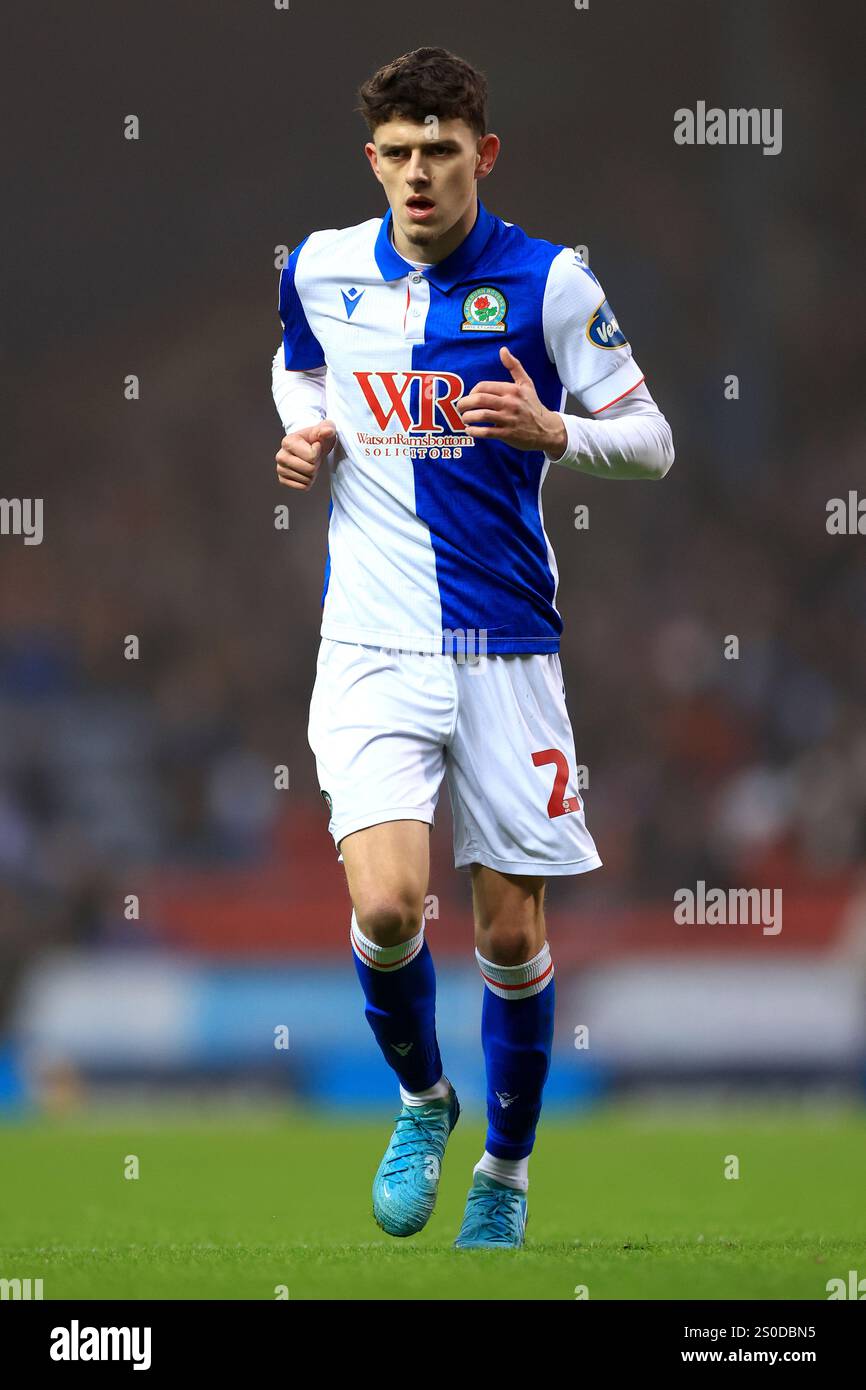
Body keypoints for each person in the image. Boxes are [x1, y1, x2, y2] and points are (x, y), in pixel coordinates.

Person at [271, 46, 674, 1249]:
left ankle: (504, 1165)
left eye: (439, 152)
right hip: (370, 645)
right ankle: (420, 1100)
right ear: (371, 160)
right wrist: (305, 435)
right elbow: (298, 369)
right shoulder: (320, 267)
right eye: (395, 155)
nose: (416, 176)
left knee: (506, 934)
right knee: (390, 906)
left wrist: (556, 428)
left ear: (480, 156)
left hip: (505, 646)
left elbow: (650, 438)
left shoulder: (550, 284)